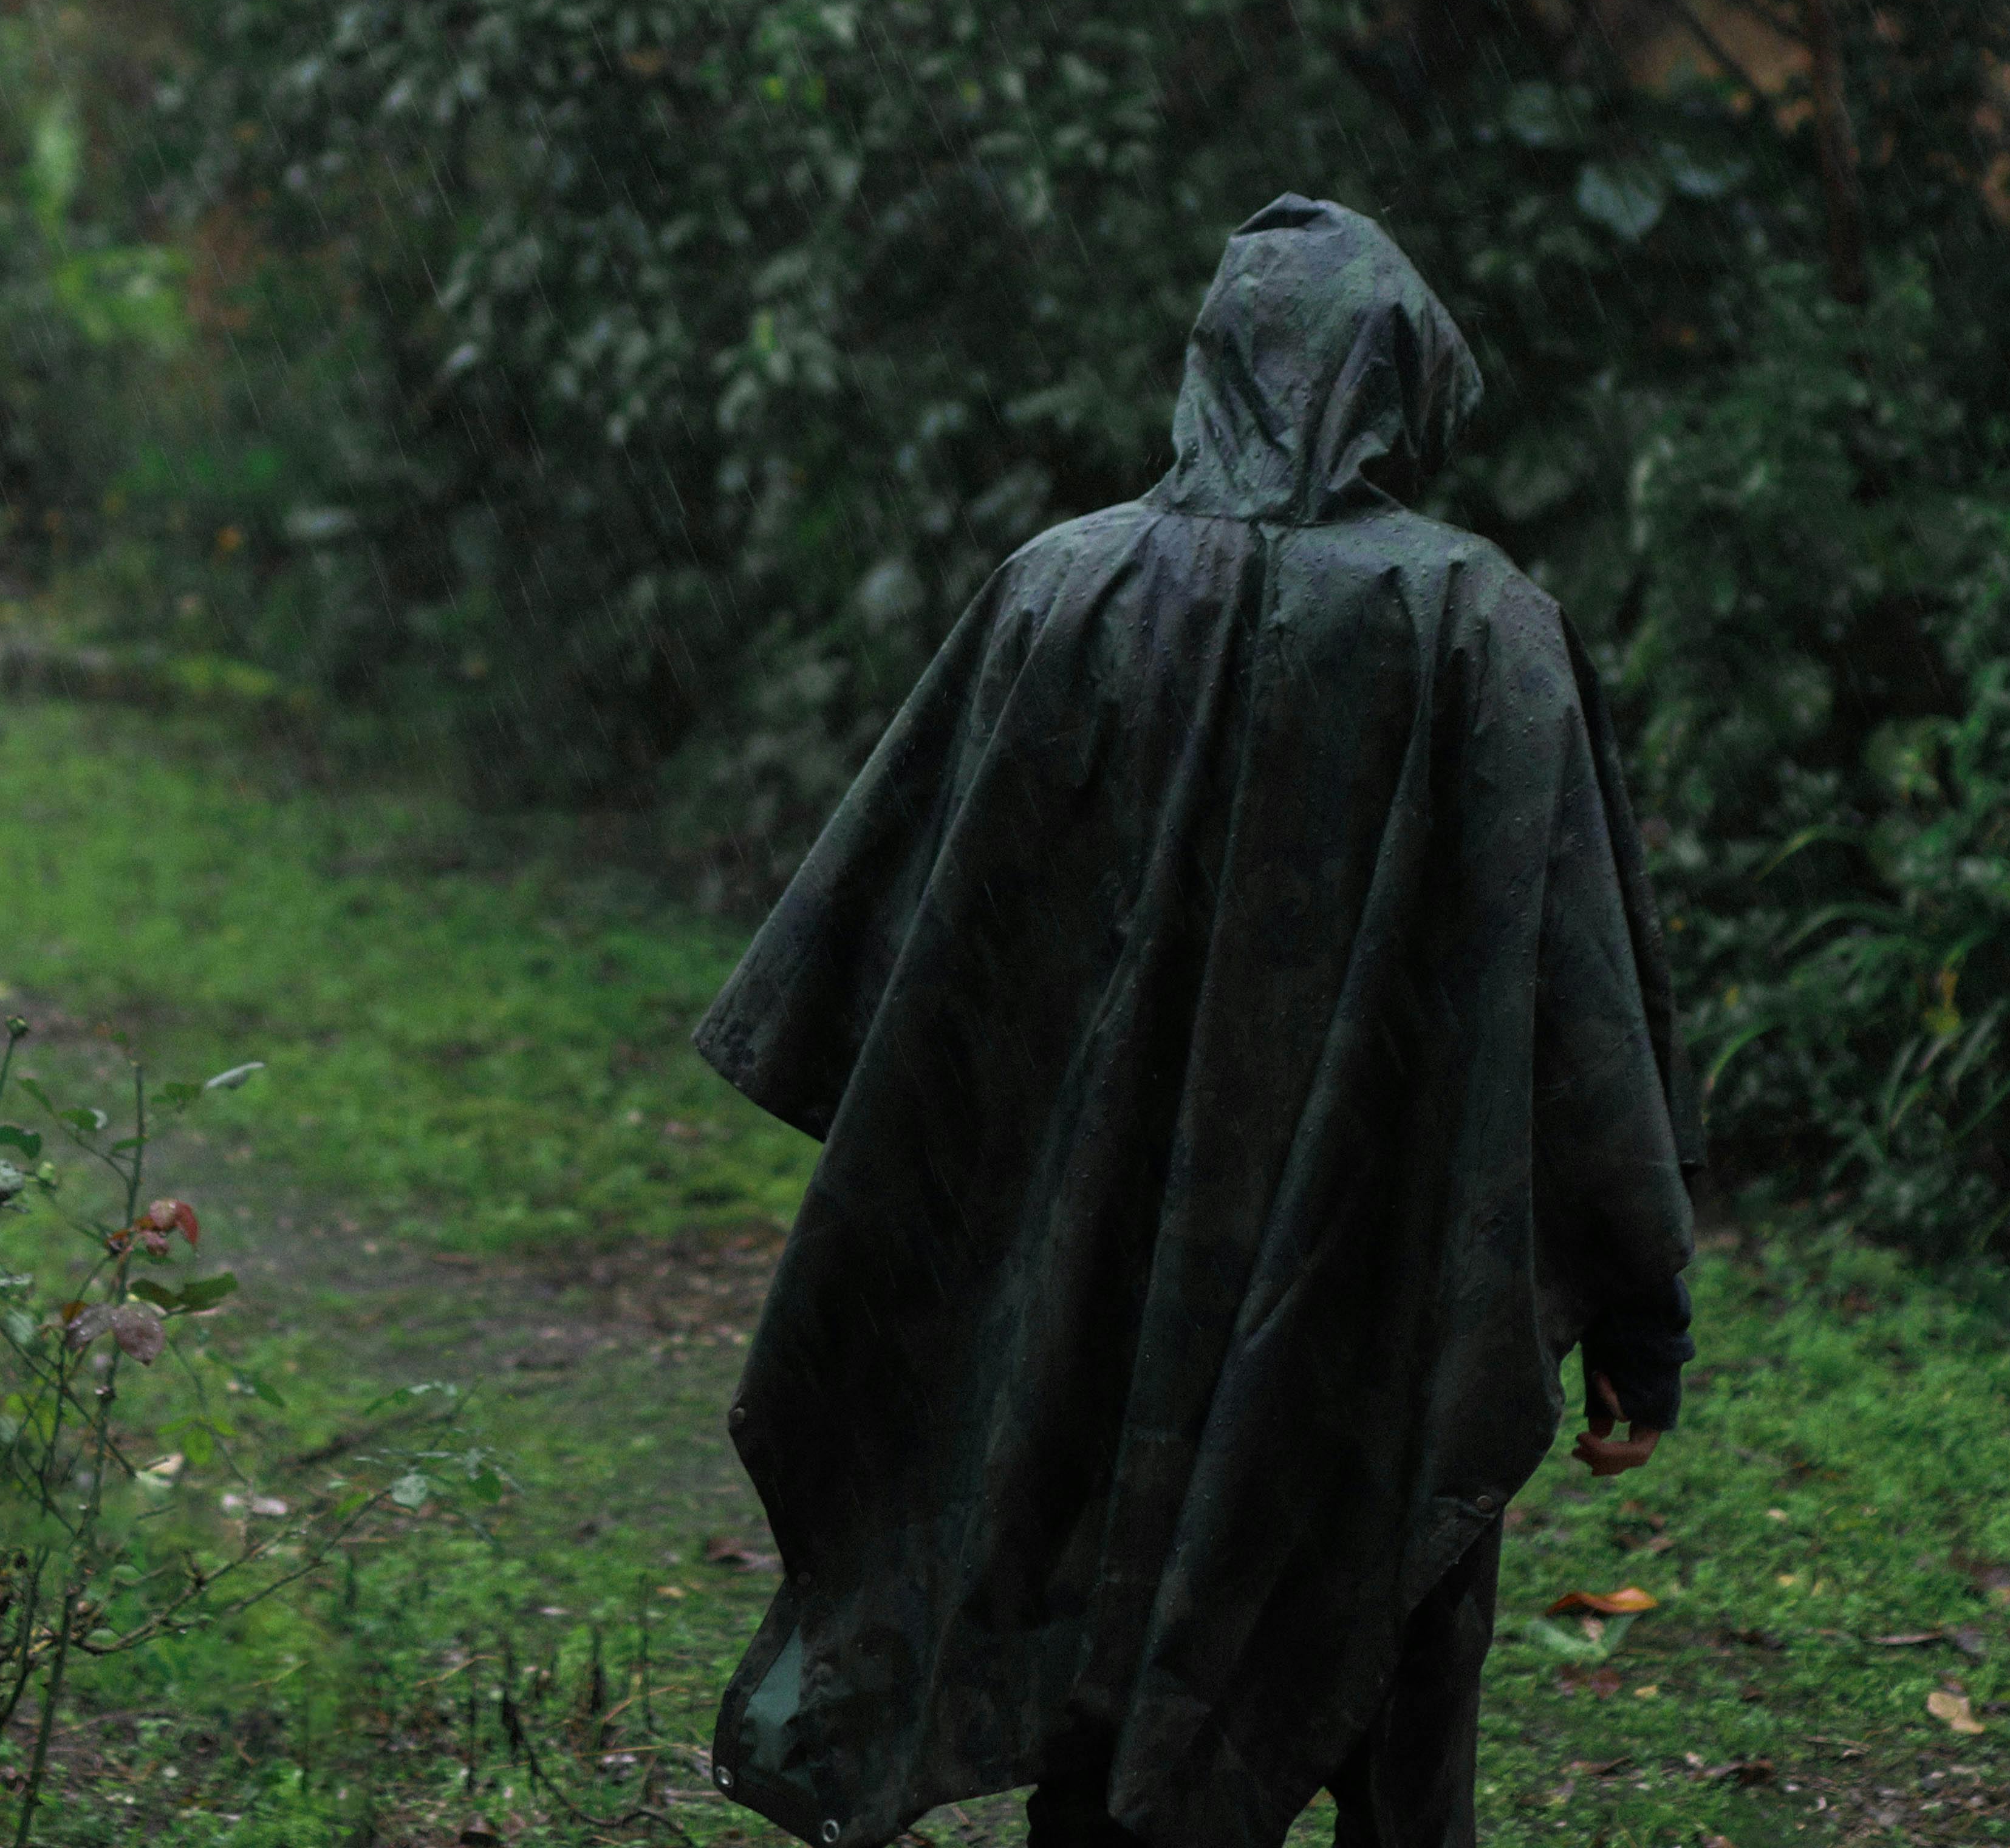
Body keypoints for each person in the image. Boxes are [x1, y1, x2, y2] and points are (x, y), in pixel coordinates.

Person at [692, 199, 1702, 1848]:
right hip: (1381, 1281)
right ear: (1397, 383)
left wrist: (1006, 1195)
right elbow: (1581, 1019)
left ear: (1213, 365)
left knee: (1104, 1618)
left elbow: (900, 980)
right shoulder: (1478, 626)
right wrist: (1638, 1331)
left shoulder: (1058, 597)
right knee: (1392, 1655)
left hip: (1096, 1278)